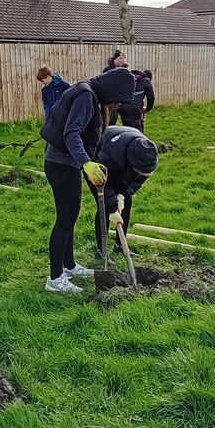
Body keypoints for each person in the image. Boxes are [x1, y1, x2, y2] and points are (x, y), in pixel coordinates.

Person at [39, 68, 136, 293]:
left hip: (67, 162)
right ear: (112, 91)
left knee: (70, 216)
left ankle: (69, 266)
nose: (115, 108)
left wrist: (89, 161)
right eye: (117, 103)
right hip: (61, 163)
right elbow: (71, 132)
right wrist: (85, 162)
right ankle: (55, 278)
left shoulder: (91, 94)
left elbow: (87, 136)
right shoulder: (86, 96)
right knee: (65, 219)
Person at [88, 125, 158, 258]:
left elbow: (138, 180)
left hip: (121, 163)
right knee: (104, 206)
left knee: (127, 201)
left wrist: (122, 195)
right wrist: (113, 209)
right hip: (96, 164)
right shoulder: (109, 156)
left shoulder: (148, 154)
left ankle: (120, 246)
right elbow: (106, 187)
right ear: (133, 164)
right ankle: (101, 250)